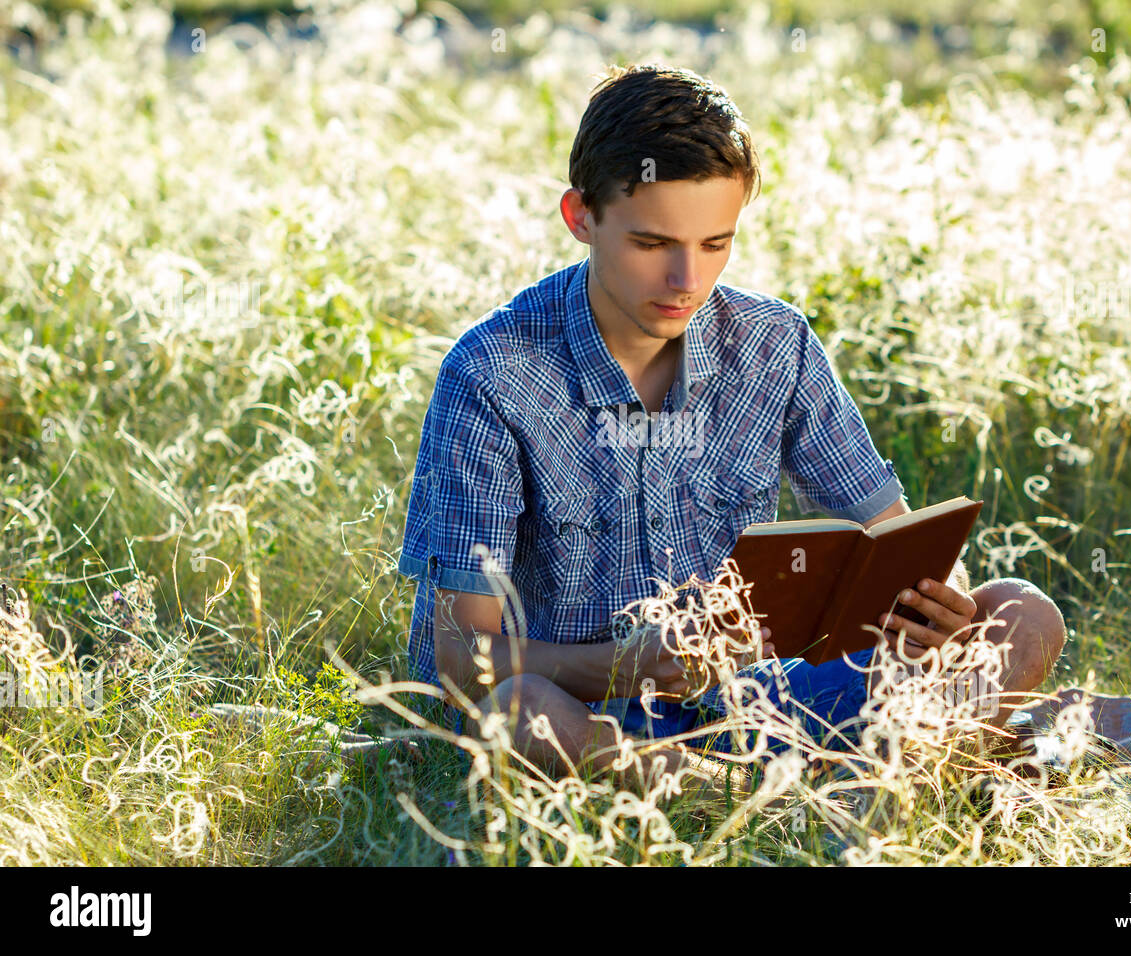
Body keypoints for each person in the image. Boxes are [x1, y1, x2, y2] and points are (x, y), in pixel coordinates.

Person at [398, 63, 1066, 785]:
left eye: (716, 243)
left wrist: (936, 602)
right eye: (653, 245)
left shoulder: (775, 343)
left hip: (766, 696)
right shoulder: (492, 373)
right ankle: (815, 792)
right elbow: (460, 658)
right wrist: (627, 666)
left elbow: (899, 543)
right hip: (594, 714)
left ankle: (836, 783)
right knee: (517, 714)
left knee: (1022, 612)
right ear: (581, 216)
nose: (687, 280)